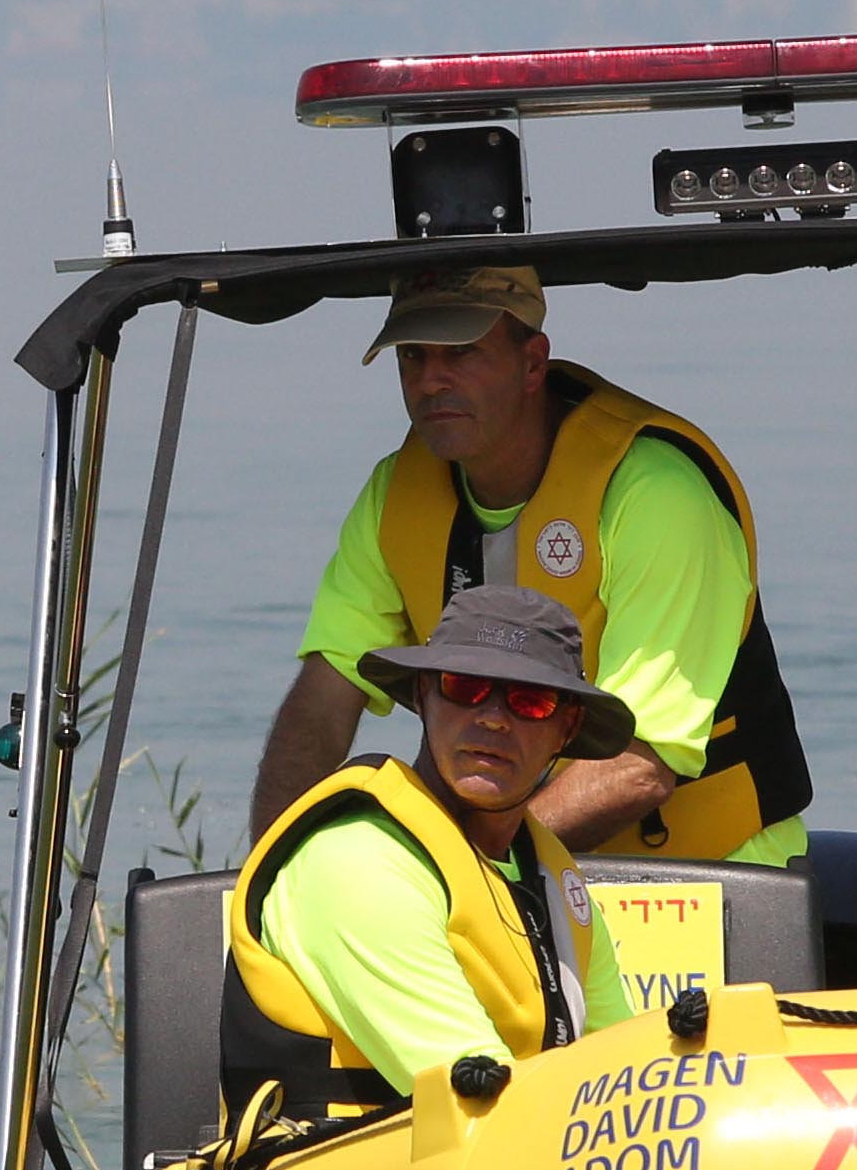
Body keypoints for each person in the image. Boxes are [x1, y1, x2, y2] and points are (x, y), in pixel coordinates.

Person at [248, 262, 814, 865]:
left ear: (533, 363)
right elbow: (323, 700)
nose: (431, 380)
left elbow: (640, 766)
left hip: (706, 877)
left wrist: (460, 877)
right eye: (412, 356)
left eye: (461, 352)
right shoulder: (396, 496)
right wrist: (269, 877)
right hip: (507, 878)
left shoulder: (654, 494)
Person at [223, 586, 641, 1127]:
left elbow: (628, 1075)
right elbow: (481, 1110)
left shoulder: (552, 878)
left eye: (529, 701)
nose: (492, 719)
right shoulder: (357, 863)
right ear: (423, 695)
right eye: (465, 687)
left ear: (568, 728)